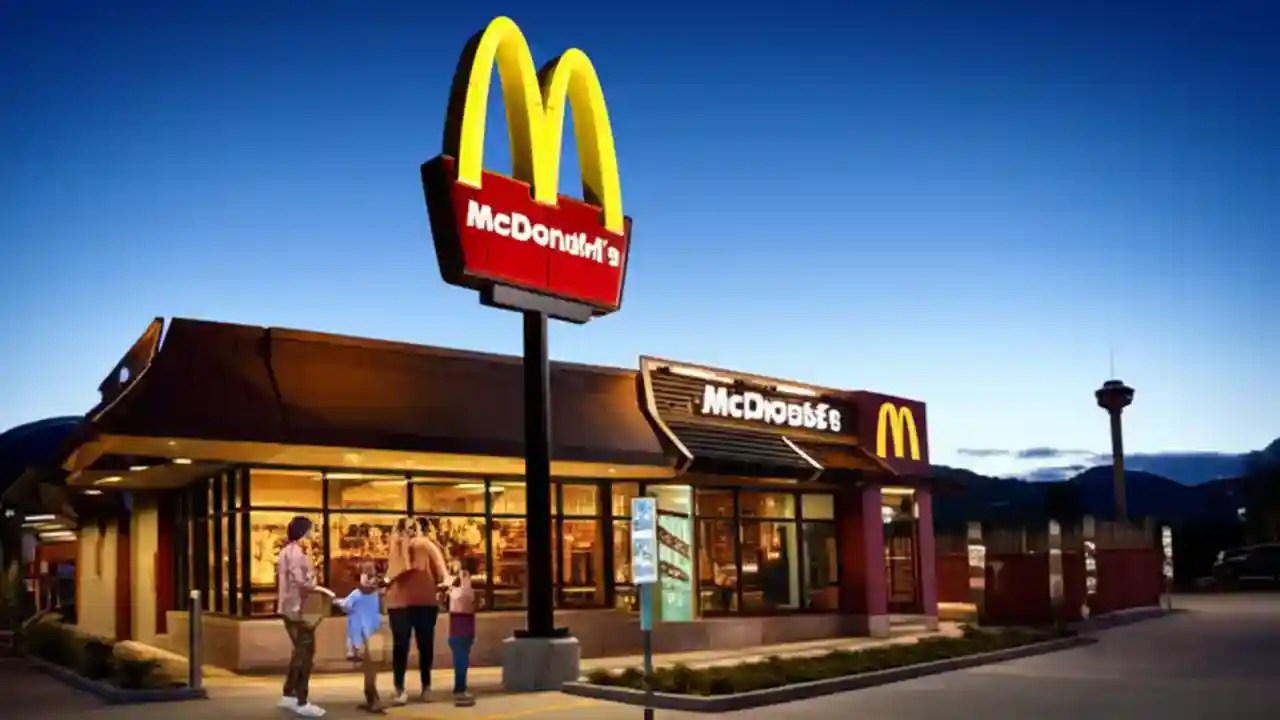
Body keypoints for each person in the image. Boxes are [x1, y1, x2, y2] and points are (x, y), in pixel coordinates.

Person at [384, 517, 447, 705]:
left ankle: (400, 688)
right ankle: (424, 687)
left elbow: (393, 572)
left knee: (401, 646)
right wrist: (444, 583)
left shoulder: (397, 546)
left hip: (403, 602)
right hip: (422, 601)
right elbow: (441, 569)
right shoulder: (424, 545)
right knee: (424, 645)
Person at [276, 516, 331, 718]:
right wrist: (322, 589)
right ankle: (301, 699)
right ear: (303, 530)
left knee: (299, 652)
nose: (313, 532)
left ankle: (289, 694)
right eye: (311, 529)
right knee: (306, 653)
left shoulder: (285, 551)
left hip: (287, 607)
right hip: (298, 609)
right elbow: (302, 582)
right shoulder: (297, 553)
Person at [335, 562, 384, 713]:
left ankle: (373, 699)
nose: (369, 579)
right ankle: (371, 697)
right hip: (374, 633)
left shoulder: (357, 593)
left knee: (369, 668)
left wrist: (335, 601)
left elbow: (346, 605)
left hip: (361, 635)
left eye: (371, 575)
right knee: (371, 668)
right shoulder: (376, 593)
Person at [444, 558, 477, 707]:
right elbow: (465, 597)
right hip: (461, 632)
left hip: (459, 632)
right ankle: (460, 688)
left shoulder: (453, 591)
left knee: (461, 661)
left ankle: (460, 687)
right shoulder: (462, 592)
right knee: (461, 661)